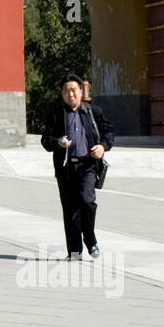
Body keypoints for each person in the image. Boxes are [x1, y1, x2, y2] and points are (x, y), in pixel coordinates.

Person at [40, 75, 114, 260]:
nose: (70, 93)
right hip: (65, 168)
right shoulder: (57, 114)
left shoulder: (92, 112)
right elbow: (45, 140)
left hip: (88, 165)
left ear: (81, 91)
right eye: (66, 90)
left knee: (87, 202)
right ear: (62, 94)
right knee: (70, 209)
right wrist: (58, 142)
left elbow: (109, 132)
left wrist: (102, 147)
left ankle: (90, 239)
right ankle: (74, 252)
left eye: (74, 90)